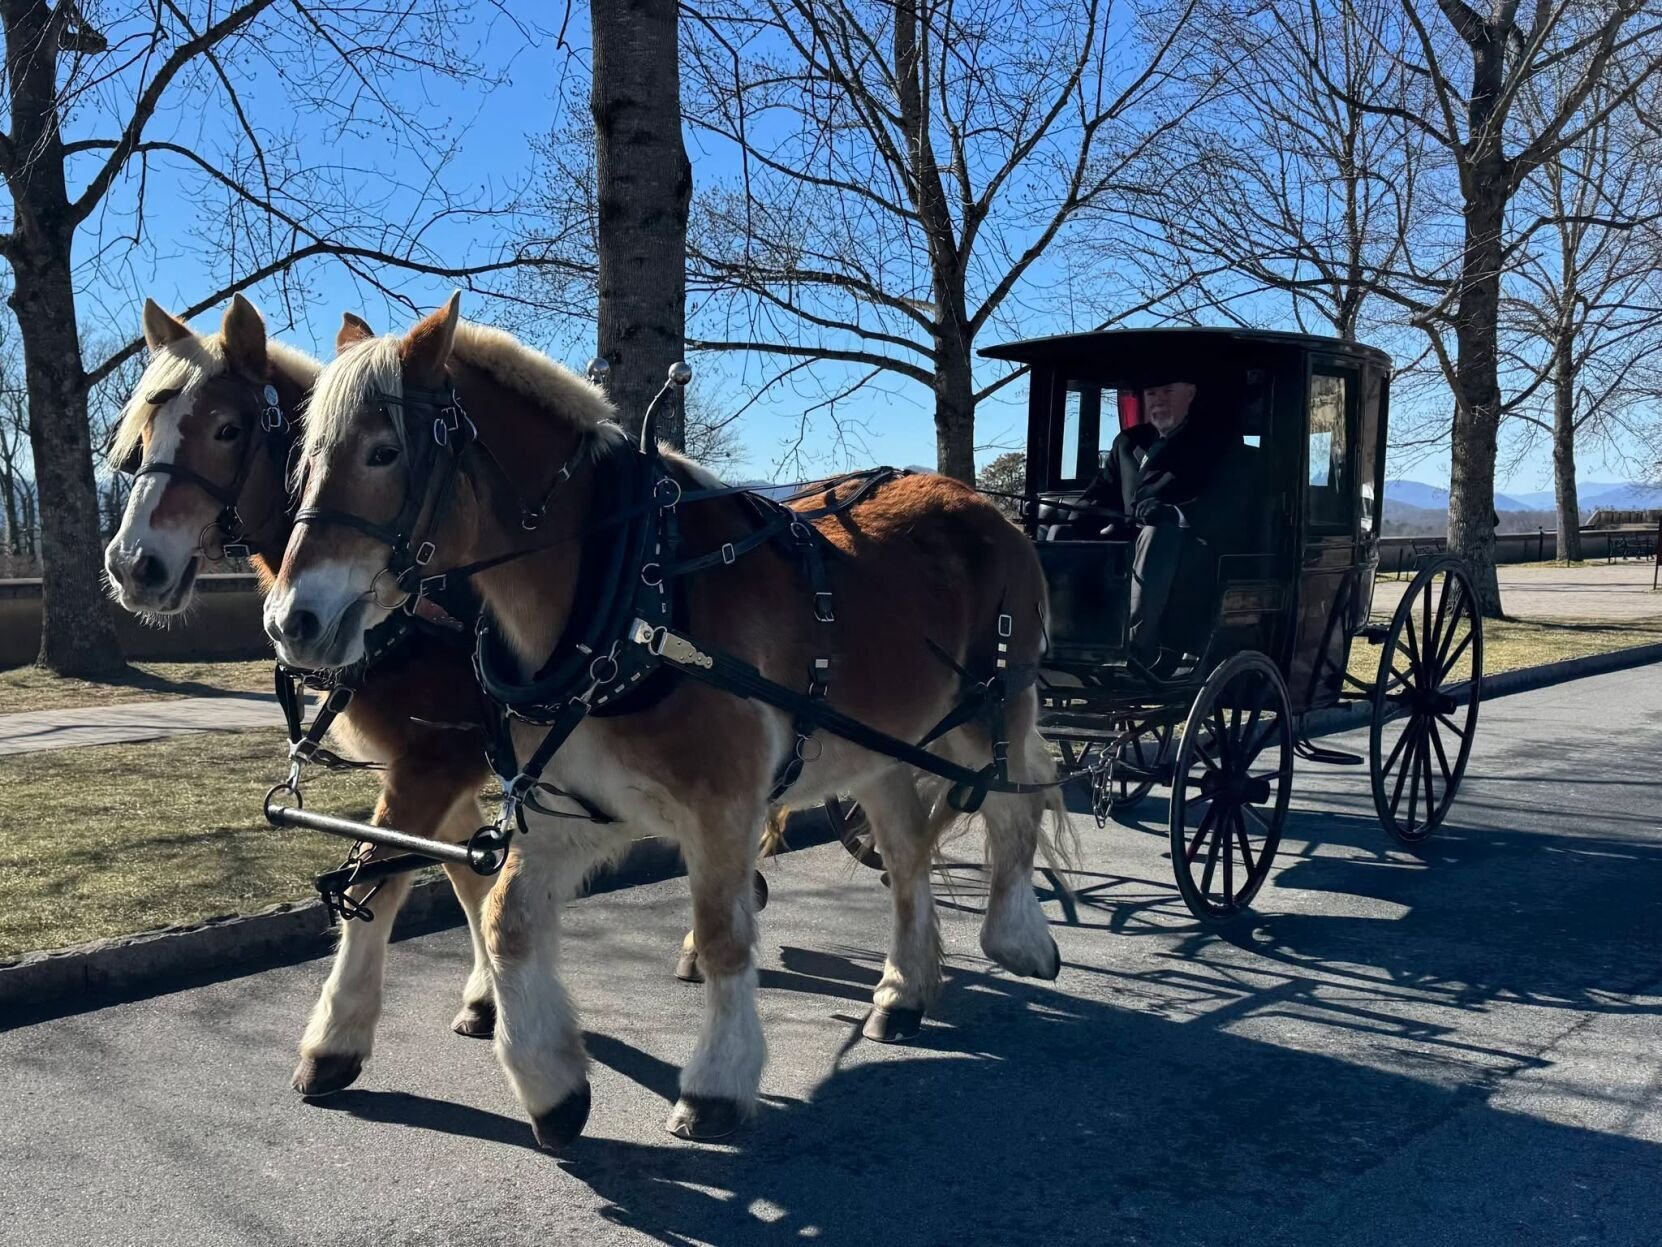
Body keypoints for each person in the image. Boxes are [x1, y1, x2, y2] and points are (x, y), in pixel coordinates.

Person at [1066, 375, 1223, 665]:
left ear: (1190, 393)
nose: (1158, 400)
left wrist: (1173, 513)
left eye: (1167, 391)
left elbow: (1226, 501)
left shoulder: (1212, 442)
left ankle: (1135, 647)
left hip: (1189, 550)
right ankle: (1054, 633)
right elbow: (1102, 491)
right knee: (1058, 533)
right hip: (1125, 544)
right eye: (1151, 394)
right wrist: (1081, 512)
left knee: (1157, 534)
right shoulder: (1128, 442)